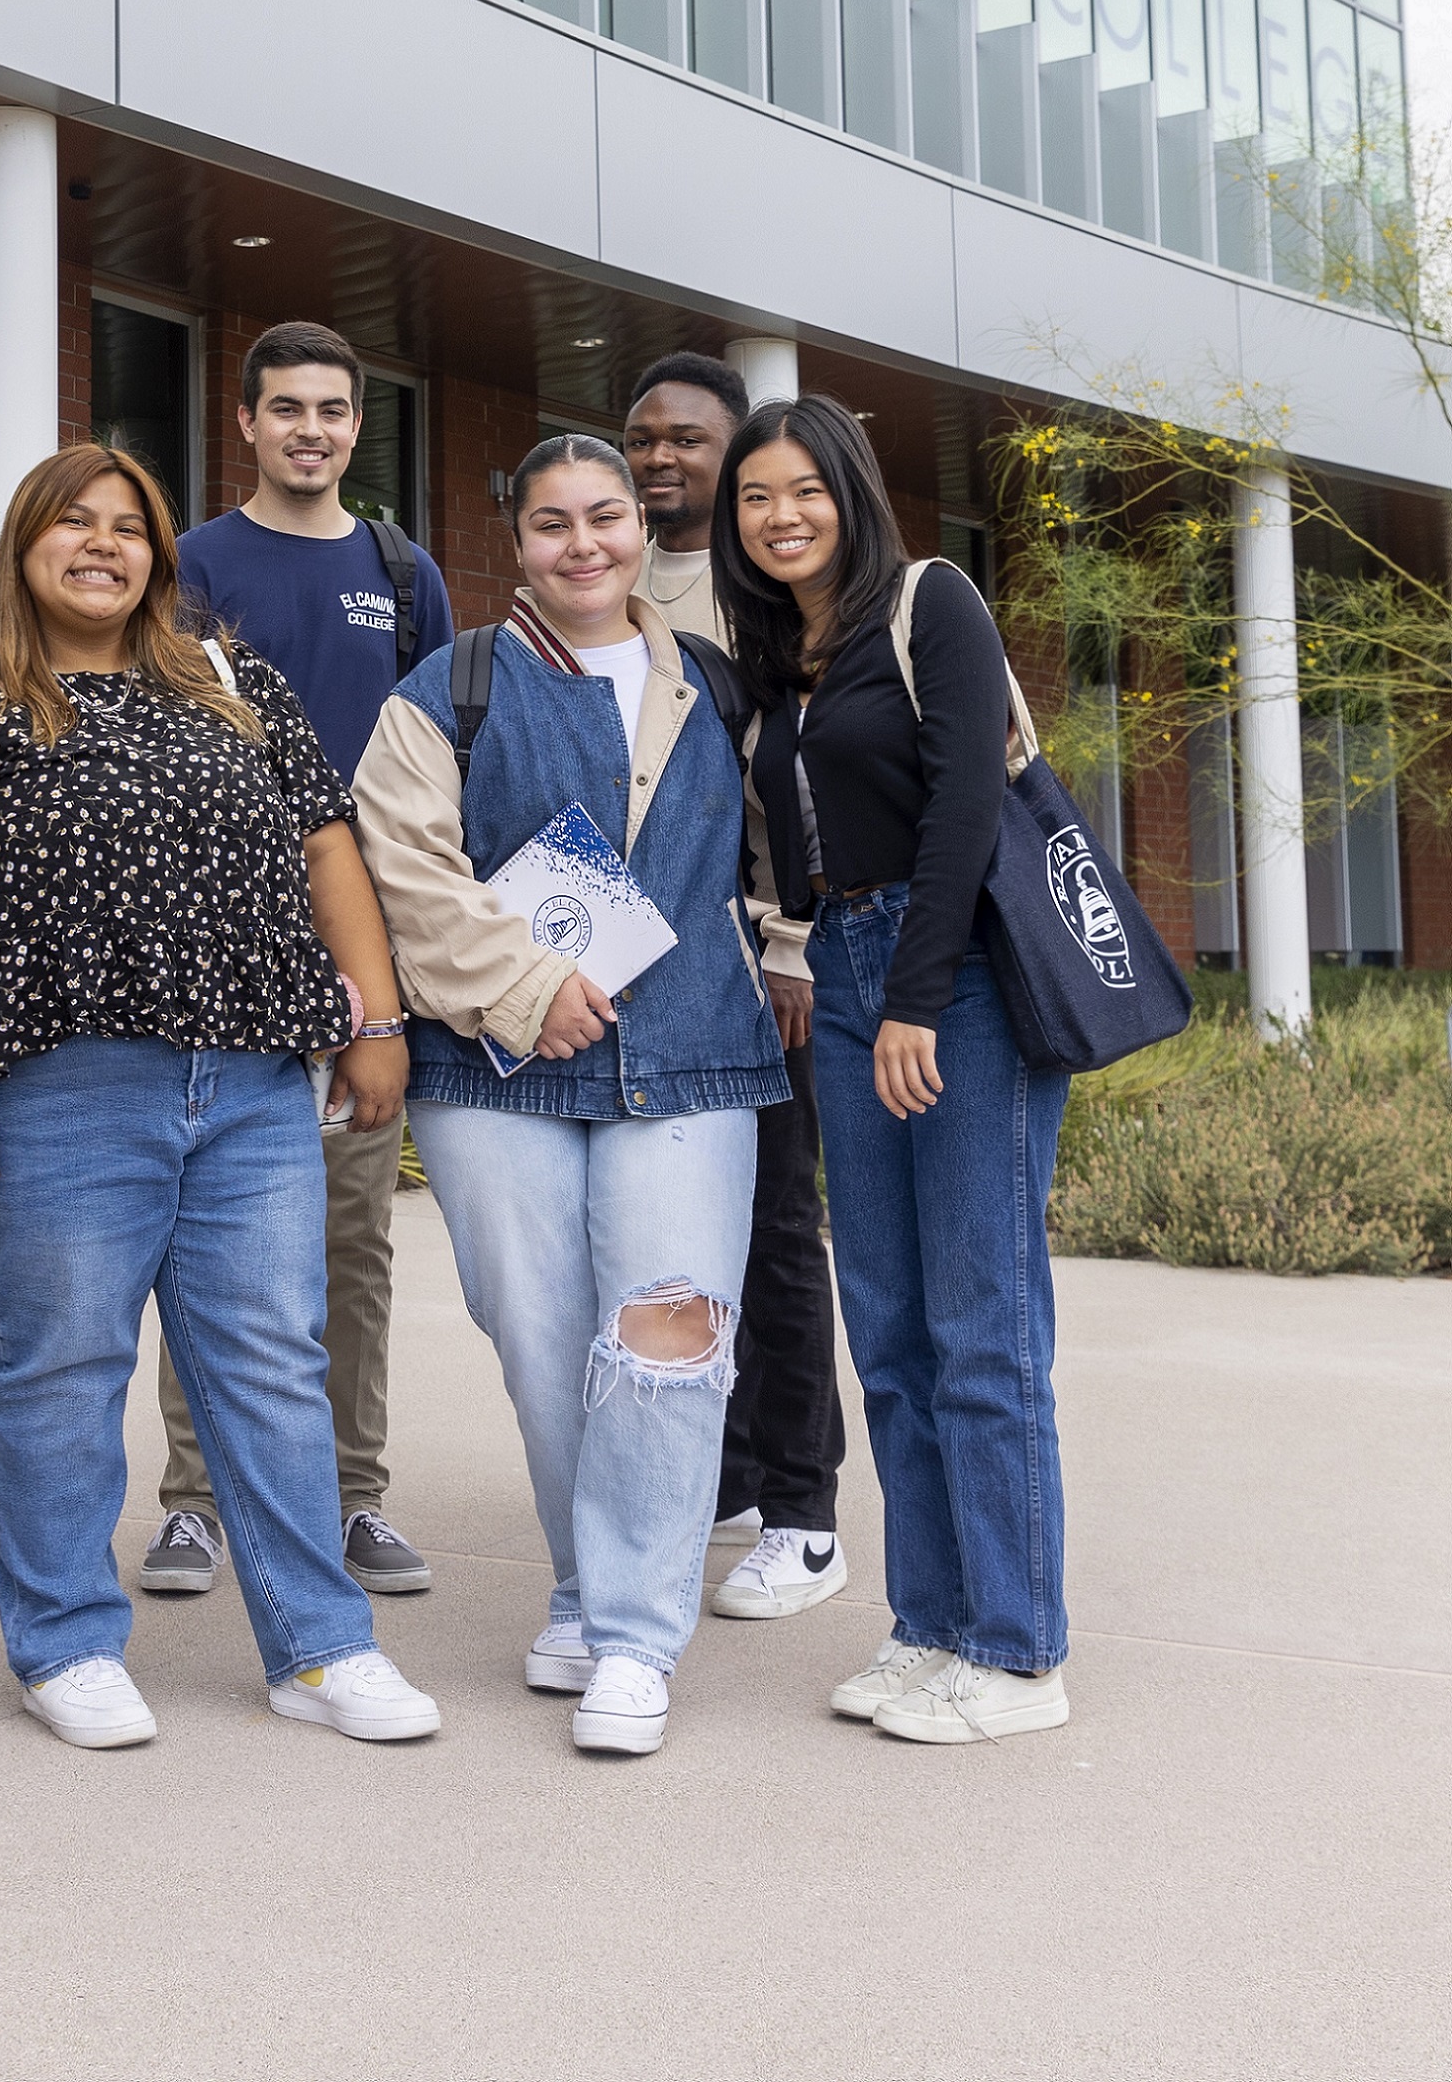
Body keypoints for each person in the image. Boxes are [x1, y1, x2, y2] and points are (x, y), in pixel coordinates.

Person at [0, 443, 440, 1751]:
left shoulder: (239, 689)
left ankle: (321, 1647)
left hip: (247, 1089)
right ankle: (65, 1642)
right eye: (73, 523)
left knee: (274, 1371)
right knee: (61, 1370)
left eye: (129, 528)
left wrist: (378, 1016)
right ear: (22, 548)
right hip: (65, 1090)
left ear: (160, 559)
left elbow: (328, 849)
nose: (103, 545)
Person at [353, 435, 788, 1756]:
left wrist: (792, 954)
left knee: (667, 1328)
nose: (582, 544)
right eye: (552, 523)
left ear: (638, 534)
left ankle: (635, 1639)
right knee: (546, 1343)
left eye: (605, 518)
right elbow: (406, 868)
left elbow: (787, 842)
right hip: (496, 1070)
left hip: (692, 1052)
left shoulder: (719, 682)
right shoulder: (449, 687)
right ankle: (579, 1588)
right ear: (516, 540)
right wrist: (526, 985)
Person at [716, 394, 1072, 1744]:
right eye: (758, 497)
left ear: (849, 492)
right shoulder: (779, 656)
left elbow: (968, 805)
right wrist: (814, 962)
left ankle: (1019, 1651)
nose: (781, 513)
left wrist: (917, 995)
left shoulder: (930, 605)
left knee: (984, 1332)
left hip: (958, 982)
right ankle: (928, 1625)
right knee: (892, 1332)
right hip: (848, 980)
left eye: (803, 488)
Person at [147, 320, 455, 1603]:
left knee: (349, 1238)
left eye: (332, 410)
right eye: (286, 410)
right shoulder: (190, 563)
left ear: (354, 424)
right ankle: (191, 1502)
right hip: (220, 940)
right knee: (205, 1229)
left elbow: (444, 747)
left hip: (359, 942)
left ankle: (351, 1495)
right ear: (247, 424)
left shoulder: (403, 568)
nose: (310, 430)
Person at [623, 353, 849, 1621]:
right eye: (642, 440)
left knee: (774, 1226)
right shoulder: (610, 575)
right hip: (639, 971)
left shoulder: (762, 591)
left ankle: (803, 1507)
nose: (661, 461)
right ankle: (732, 1469)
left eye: (688, 442)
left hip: (763, 964)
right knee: (683, 1229)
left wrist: (791, 945)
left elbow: (793, 793)